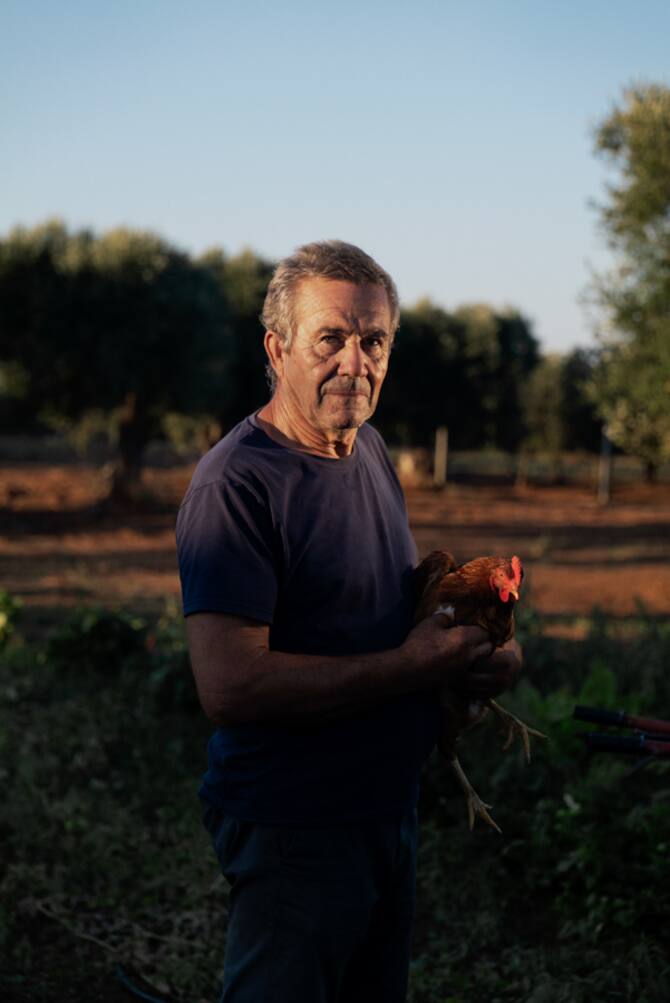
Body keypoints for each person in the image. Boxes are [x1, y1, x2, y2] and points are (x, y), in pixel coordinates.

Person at [176, 240, 521, 1003]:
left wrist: (476, 650)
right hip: (295, 825)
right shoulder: (237, 484)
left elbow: (388, 611)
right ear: (278, 348)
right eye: (330, 338)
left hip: (384, 810)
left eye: (374, 340)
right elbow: (230, 687)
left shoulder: (368, 449)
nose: (355, 363)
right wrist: (413, 665)